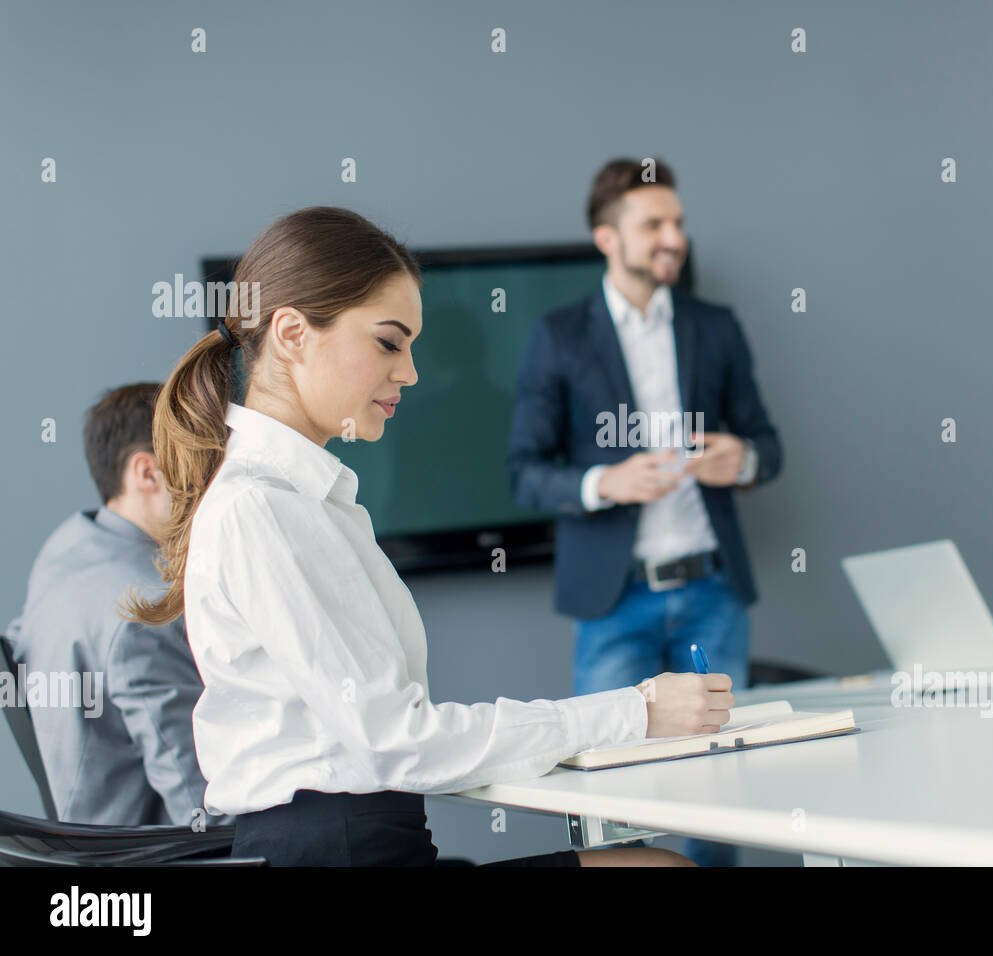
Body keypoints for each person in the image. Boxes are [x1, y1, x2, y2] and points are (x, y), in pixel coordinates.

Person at [123, 206, 730, 867]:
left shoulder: (298, 500)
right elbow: (397, 739)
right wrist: (634, 711)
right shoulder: (263, 509)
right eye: (389, 342)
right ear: (293, 334)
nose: (409, 372)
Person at [507, 158, 781, 866]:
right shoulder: (559, 335)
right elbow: (524, 473)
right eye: (653, 224)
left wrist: (741, 459)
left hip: (713, 592)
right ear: (607, 237)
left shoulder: (714, 326)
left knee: (723, 789)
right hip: (614, 597)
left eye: (678, 223)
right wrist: (606, 482)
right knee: (611, 792)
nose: (673, 238)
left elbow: (769, 445)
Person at [5, 384, 223, 827]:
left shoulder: (68, 549)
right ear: (148, 472)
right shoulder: (144, 611)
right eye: (208, 460)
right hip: (147, 857)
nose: (219, 481)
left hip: (85, 829)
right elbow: (201, 813)